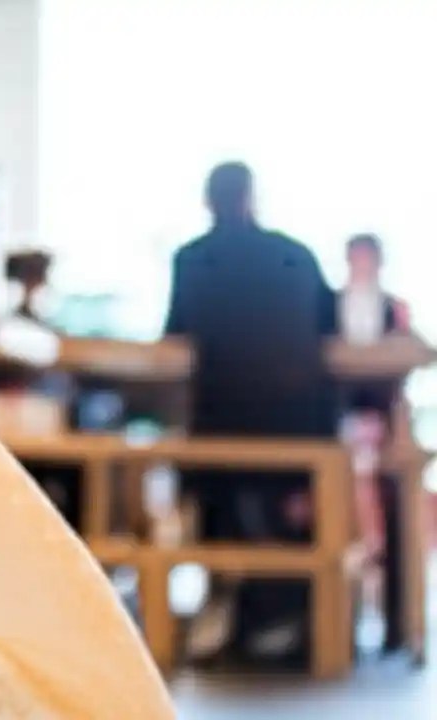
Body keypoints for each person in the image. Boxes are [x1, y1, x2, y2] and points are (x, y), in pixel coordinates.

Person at [165, 162, 339, 667]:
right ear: (252, 197)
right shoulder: (296, 257)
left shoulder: (192, 261)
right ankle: (280, 620)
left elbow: (175, 340)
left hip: (220, 432)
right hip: (301, 431)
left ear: (208, 201)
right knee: (276, 509)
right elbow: (332, 331)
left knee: (209, 487)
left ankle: (230, 610)